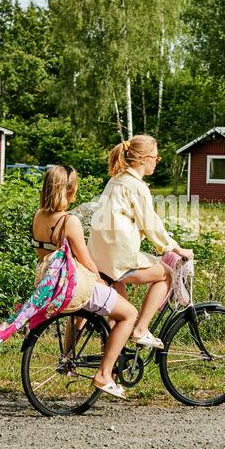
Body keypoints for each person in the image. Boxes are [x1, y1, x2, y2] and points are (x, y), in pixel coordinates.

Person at [31, 165, 137, 399]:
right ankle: (105, 374)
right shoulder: (69, 221)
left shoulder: (38, 216)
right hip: (74, 285)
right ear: (68, 190)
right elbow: (86, 261)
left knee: (85, 313)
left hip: (50, 283)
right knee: (128, 314)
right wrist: (101, 281)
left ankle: (68, 358)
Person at [89, 135, 195, 349]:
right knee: (167, 273)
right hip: (119, 259)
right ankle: (141, 329)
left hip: (99, 257)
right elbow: (151, 223)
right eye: (156, 158)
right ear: (145, 159)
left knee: (118, 315)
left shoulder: (116, 180)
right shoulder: (136, 185)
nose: (157, 161)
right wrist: (175, 248)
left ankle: (110, 370)